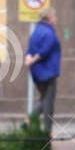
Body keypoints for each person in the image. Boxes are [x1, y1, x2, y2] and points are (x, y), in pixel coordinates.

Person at [23, 7, 60, 137]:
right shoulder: (49, 33)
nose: (56, 19)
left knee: (44, 99)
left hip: (37, 72)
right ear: (49, 19)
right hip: (48, 71)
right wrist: (34, 59)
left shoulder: (36, 31)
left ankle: (31, 120)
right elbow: (45, 50)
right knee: (48, 102)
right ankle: (46, 132)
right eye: (54, 16)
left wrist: (29, 58)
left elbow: (30, 49)